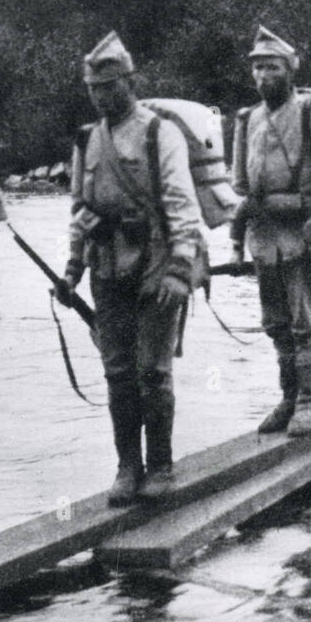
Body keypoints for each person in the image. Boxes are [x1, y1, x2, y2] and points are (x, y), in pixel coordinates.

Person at [56, 32, 204, 505]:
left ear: (129, 82)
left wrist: (181, 270)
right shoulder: (85, 139)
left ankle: (160, 466)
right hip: (106, 269)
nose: (101, 96)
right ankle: (127, 466)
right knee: (118, 372)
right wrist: (72, 268)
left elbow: (183, 207)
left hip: (157, 265)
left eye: (109, 86)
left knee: (153, 371)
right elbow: (80, 209)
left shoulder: (161, 134)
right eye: (93, 88)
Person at [230, 27, 311, 435]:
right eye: (258, 67)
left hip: (303, 231)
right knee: (274, 323)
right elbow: (240, 189)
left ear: (291, 69)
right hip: (263, 237)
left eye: (273, 67)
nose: (264, 75)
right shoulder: (247, 120)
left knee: (304, 320)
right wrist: (236, 237)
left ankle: (306, 401)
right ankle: (286, 397)